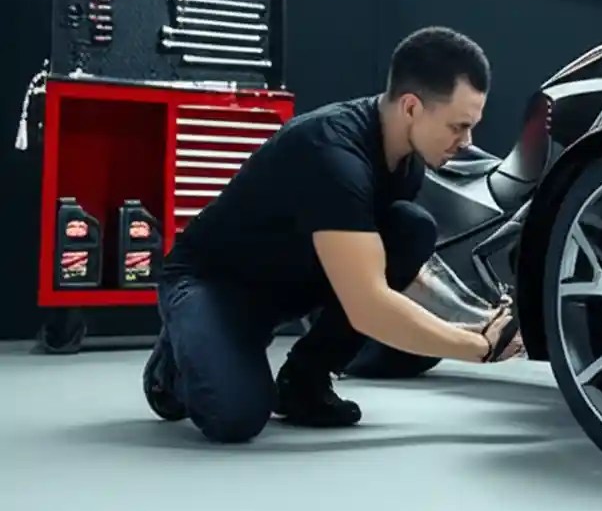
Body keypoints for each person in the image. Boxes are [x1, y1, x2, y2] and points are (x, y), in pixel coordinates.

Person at [142, 26, 524, 443]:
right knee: (235, 417)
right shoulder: (333, 155)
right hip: (211, 284)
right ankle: (172, 365)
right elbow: (367, 306)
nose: (467, 142)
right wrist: (477, 347)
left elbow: (393, 268)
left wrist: (483, 320)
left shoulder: (408, 162)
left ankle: (305, 381)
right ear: (412, 107)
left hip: (290, 281)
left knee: (412, 228)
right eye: (458, 126)